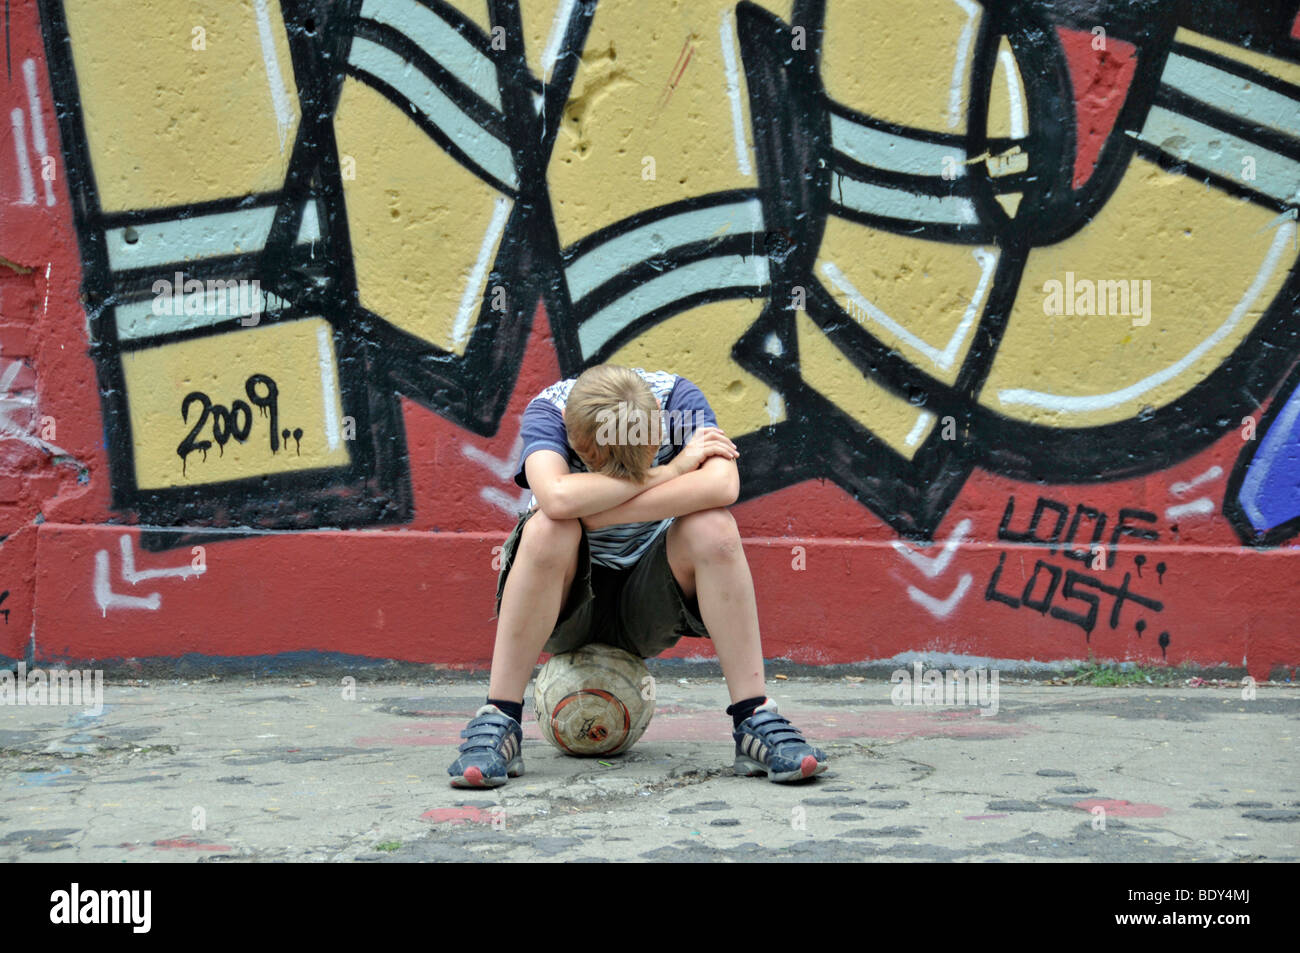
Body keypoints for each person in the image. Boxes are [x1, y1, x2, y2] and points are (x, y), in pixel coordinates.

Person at [448, 364, 827, 787]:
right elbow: (555, 497)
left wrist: (592, 510)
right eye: (606, 468)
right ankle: (499, 719)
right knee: (549, 528)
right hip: (566, 606)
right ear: (576, 440)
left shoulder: (678, 403)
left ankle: (755, 718)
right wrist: (671, 471)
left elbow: (722, 486)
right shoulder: (551, 411)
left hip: (648, 604)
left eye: (647, 458)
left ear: (658, 429)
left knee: (713, 526)